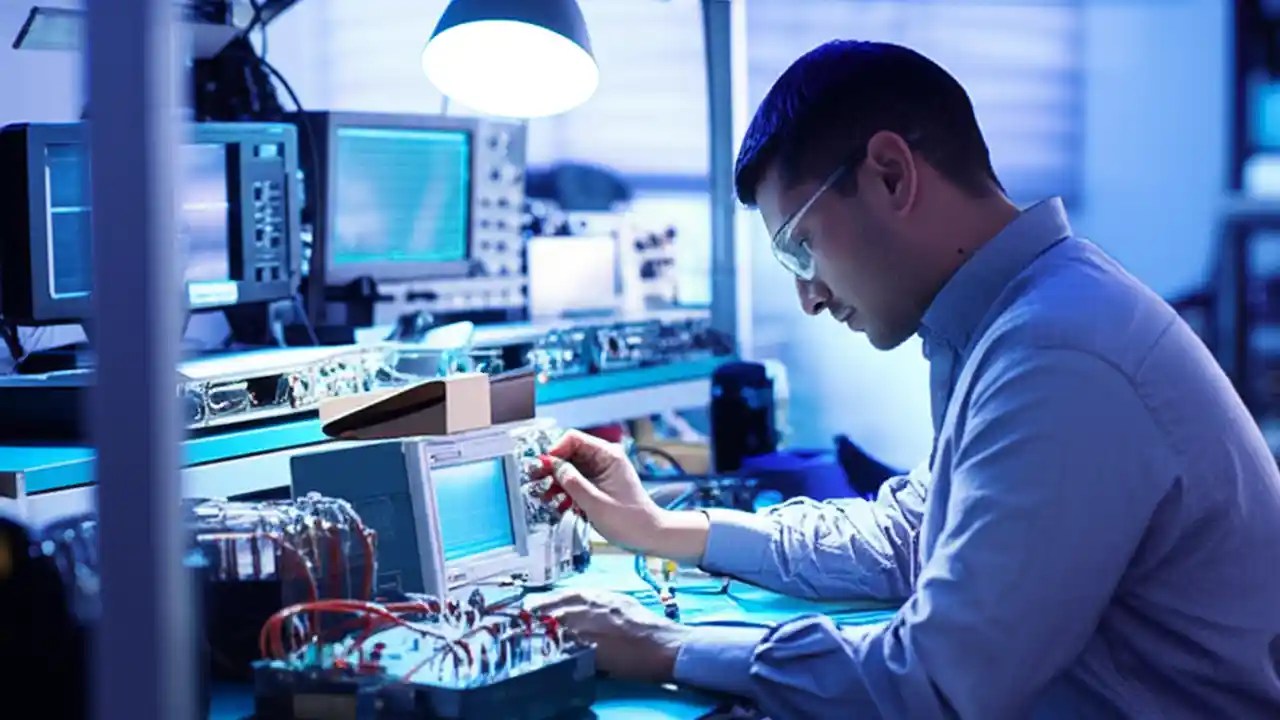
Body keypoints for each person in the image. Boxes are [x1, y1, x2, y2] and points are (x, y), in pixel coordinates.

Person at [532, 40, 1280, 718]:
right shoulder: (1020, 319)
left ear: (890, 174)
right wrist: (666, 529)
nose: (809, 295)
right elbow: (908, 539)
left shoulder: (1061, 353)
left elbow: (932, 685)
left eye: (799, 248)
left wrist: (670, 647)